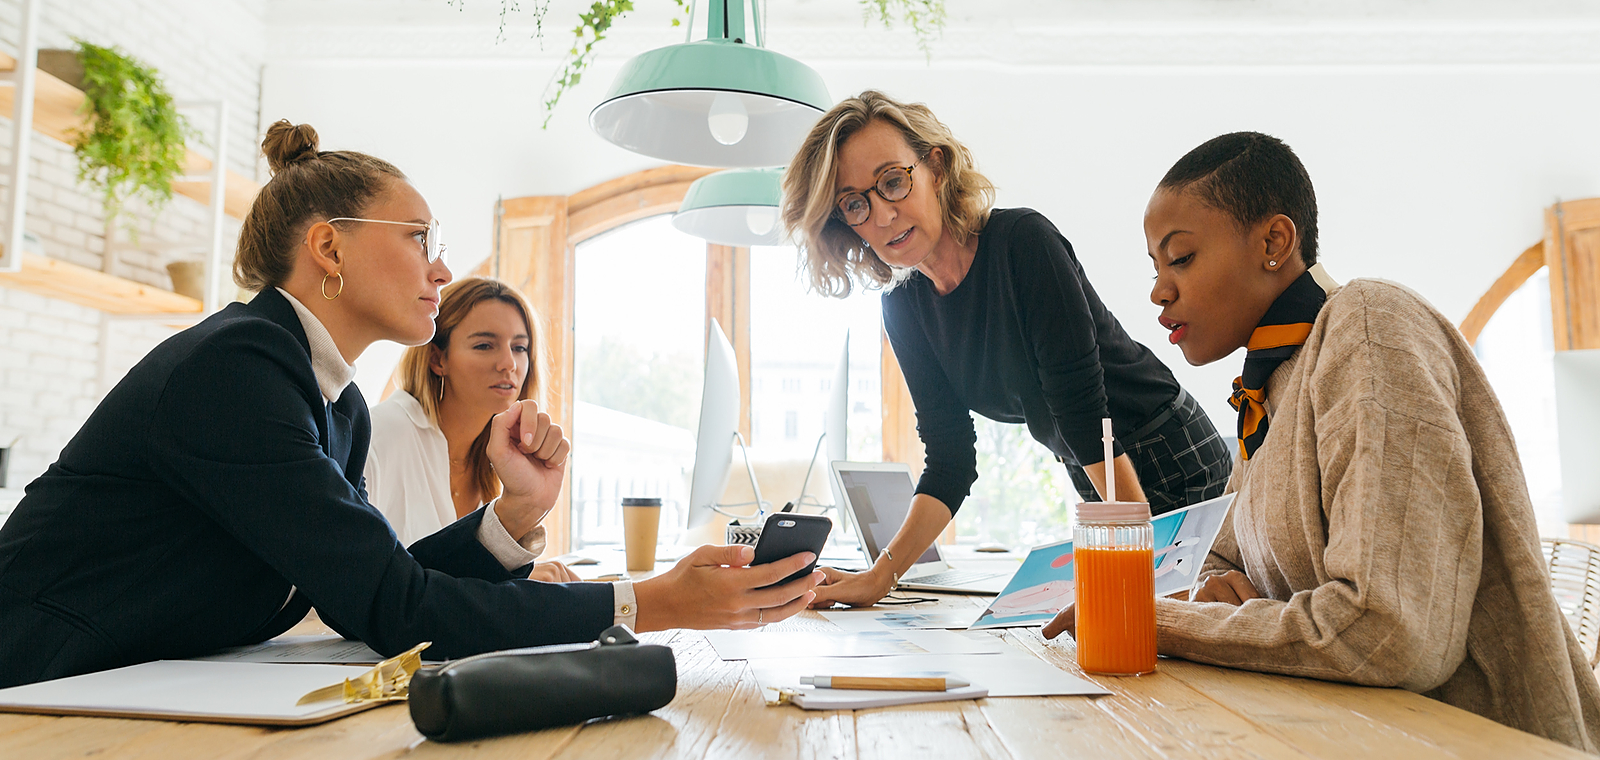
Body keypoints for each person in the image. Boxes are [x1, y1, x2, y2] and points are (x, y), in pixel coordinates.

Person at [0, 120, 819, 689]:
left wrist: (510, 516)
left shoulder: (337, 403)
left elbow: (376, 579)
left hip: (136, 684)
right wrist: (654, 603)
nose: (441, 268)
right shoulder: (235, 368)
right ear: (329, 247)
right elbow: (394, 606)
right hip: (41, 683)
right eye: (419, 238)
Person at [1044, 131, 1600, 751]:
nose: (1158, 291)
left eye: (1181, 259)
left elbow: (1390, 633)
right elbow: (1223, 562)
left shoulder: (1369, 326)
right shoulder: (1269, 384)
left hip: (1476, 739)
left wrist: (1162, 623)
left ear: (1275, 243)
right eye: (1154, 267)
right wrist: (1216, 598)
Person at [780, 90, 1230, 608]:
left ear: (936, 167)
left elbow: (1084, 413)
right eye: (856, 203)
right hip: (1095, 475)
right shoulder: (904, 308)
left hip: (1169, 450)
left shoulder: (1023, 243)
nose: (882, 216)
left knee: (1181, 633)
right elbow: (950, 459)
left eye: (893, 182)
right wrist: (880, 578)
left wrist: (1139, 565)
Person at [364, 276, 577, 583]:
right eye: (484, 345)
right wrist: (508, 580)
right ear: (438, 359)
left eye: (520, 347)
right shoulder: (381, 435)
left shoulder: (496, 457)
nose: (509, 363)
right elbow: (367, 587)